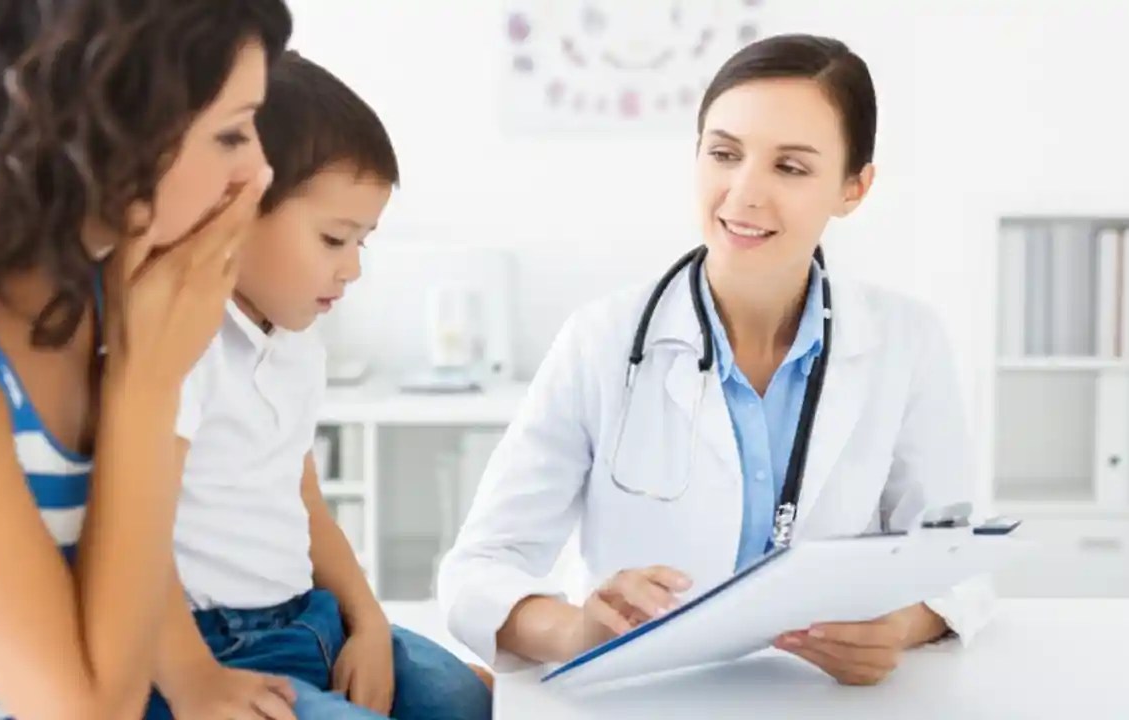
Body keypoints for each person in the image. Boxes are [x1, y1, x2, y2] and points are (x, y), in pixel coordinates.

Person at [436, 33, 993, 687]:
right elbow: (477, 570)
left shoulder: (905, 340)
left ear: (854, 187)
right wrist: (578, 629)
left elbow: (959, 557)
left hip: (822, 700)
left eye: (791, 167)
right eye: (724, 154)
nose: (744, 193)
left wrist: (898, 626)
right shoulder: (602, 341)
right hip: (642, 696)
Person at [0, 1, 290, 717]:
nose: (259, 171)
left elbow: (120, 570)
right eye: (230, 133)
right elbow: (88, 712)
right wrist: (145, 384)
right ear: (107, 133)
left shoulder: (100, 285)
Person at [145, 52, 493, 720]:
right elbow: (138, 541)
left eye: (365, 241)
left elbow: (303, 499)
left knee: (465, 698)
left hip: (305, 617)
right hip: (206, 649)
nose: (354, 268)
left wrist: (366, 623)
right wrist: (191, 676)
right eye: (335, 239)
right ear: (234, 206)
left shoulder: (297, 344)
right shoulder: (183, 344)